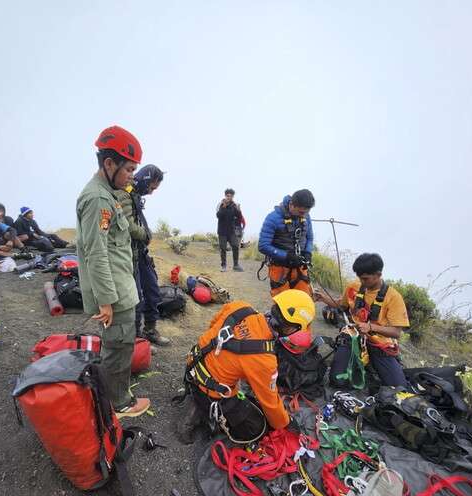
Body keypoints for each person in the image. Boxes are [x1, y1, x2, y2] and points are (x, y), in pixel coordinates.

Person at [176, 289, 316, 444]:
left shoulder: (240, 307)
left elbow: (213, 325)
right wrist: (286, 423)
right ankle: (200, 411)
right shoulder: (264, 359)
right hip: (210, 390)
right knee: (256, 428)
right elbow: (270, 404)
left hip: (193, 365)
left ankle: (198, 398)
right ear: (290, 329)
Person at [76, 125, 149, 418]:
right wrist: (106, 300)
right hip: (114, 293)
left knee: (122, 343)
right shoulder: (98, 199)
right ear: (109, 163)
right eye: (129, 169)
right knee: (118, 346)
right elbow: (96, 252)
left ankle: (114, 396)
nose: (132, 176)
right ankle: (118, 405)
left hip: (121, 285)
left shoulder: (109, 194)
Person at [314, 253, 410, 387]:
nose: (362, 282)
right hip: (352, 336)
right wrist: (323, 298)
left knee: (399, 387)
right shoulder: (353, 286)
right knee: (337, 380)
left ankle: (370, 366)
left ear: (378, 274)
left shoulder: (393, 297)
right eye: (359, 278)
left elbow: (396, 332)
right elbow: (342, 305)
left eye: (365, 278)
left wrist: (371, 327)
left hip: (379, 344)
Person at [116, 164, 171, 346]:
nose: (152, 192)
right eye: (152, 187)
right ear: (146, 180)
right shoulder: (124, 192)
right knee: (136, 298)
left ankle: (150, 330)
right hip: (129, 254)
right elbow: (128, 225)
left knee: (152, 290)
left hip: (141, 252)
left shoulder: (135, 195)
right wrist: (146, 234)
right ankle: (136, 338)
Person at [258, 189, 315, 297]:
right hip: (279, 268)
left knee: (304, 300)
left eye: (307, 212)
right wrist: (287, 256)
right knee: (283, 303)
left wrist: (308, 252)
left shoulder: (305, 216)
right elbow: (263, 246)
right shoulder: (273, 218)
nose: (304, 216)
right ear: (292, 205)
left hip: (299, 267)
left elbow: (310, 238)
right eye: (301, 212)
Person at [216, 188, 245, 272]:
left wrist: (239, 211)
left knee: (235, 246)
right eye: (228, 196)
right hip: (222, 231)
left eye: (231, 196)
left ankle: (236, 265)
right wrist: (224, 207)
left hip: (231, 231)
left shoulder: (234, 205)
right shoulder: (220, 204)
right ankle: (224, 266)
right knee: (223, 248)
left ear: (233, 197)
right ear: (225, 196)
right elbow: (218, 216)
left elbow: (239, 217)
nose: (229, 197)